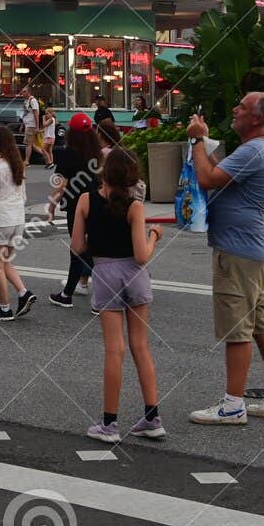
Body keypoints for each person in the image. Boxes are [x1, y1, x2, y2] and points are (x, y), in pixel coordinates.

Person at [185, 93, 264, 425]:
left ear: (257, 119)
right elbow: (219, 171)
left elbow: (207, 178)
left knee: (238, 330)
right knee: (261, 325)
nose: (235, 110)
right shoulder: (257, 149)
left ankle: (233, 406)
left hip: (239, 254)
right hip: (254, 252)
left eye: (242, 107)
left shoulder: (254, 150)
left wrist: (196, 141)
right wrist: (205, 143)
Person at [78, 148, 166, 443]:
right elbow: (141, 256)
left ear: (105, 172)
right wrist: (154, 236)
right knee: (141, 346)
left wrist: (96, 240)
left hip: (105, 273)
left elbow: (77, 246)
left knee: (114, 350)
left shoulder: (86, 200)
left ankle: (109, 423)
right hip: (135, 276)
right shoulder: (134, 206)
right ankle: (152, 417)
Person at [0, 126, 33, 320]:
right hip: (17, 219)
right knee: (5, 260)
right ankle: (23, 293)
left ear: (1, 143)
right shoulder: (16, 163)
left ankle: (4, 308)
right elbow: (23, 195)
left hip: (0, 220)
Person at [48, 113, 100, 308]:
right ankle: (88, 289)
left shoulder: (67, 153)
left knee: (77, 248)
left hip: (76, 205)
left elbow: (61, 184)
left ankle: (67, 294)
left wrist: (52, 205)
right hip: (97, 202)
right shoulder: (96, 153)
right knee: (94, 246)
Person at [20, 89, 42, 167]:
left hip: (31, 125)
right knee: (32, 144)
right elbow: (25, 114)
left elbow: (36, 114)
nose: (22, 93)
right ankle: (46, 156)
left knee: (28, 143)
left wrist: (37, 127)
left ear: (28, 92)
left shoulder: (33, 101)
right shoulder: (26, 101)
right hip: (27, 124)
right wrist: (22, 125)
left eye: (24, 92)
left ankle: (26, 161)